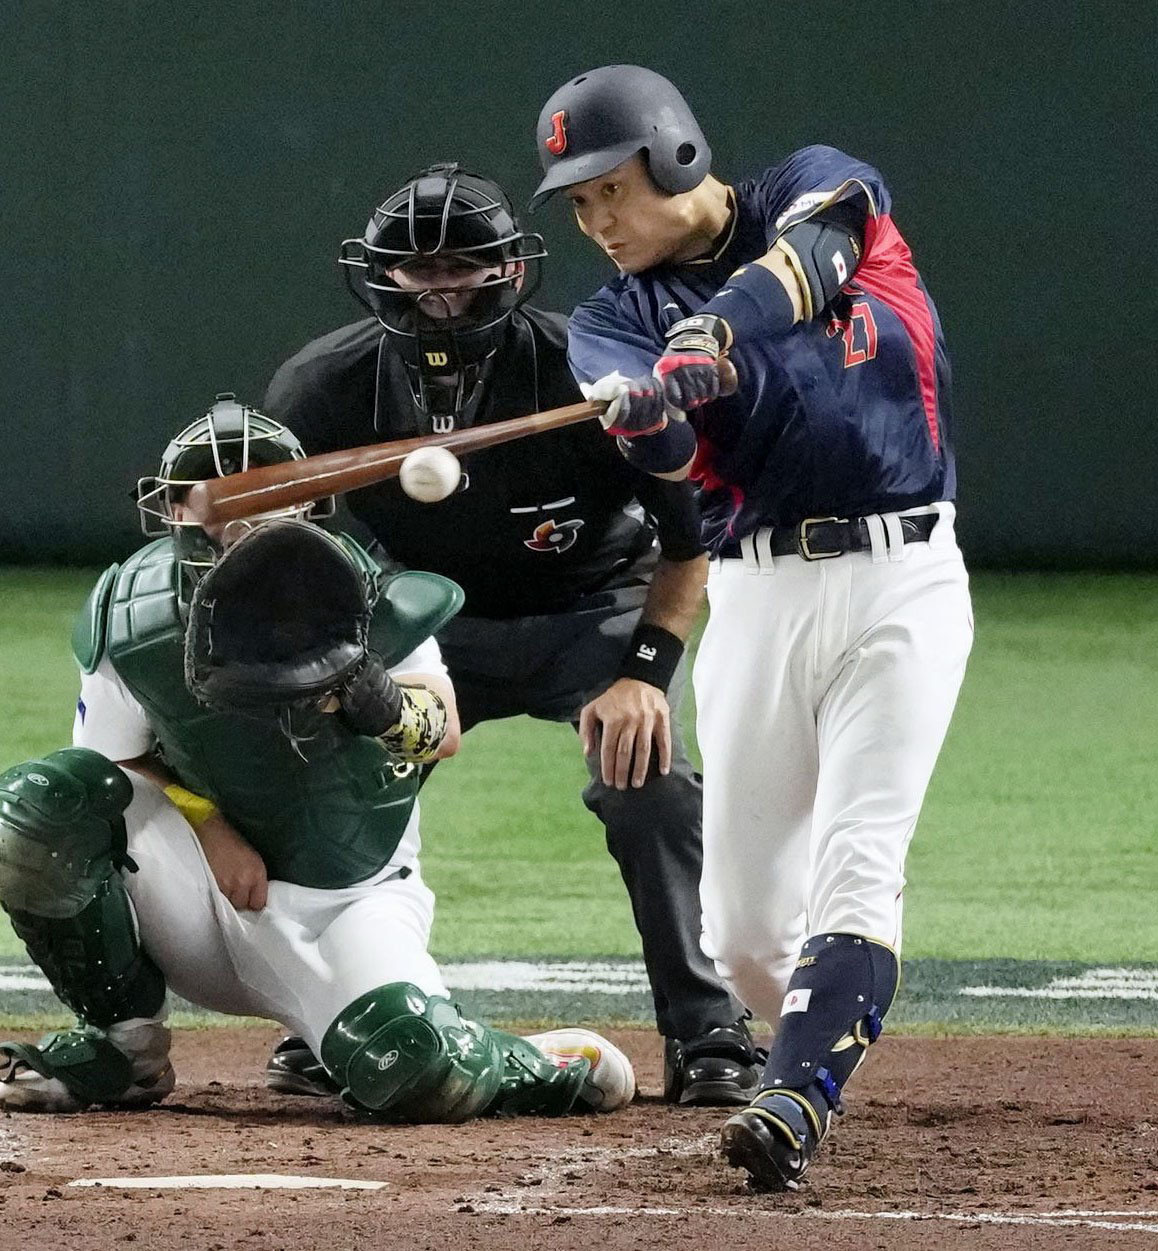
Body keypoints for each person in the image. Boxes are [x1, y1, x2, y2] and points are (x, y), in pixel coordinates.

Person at [530, 65, 973, 1189]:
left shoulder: (817, 187)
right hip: (758, 592)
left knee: (860, 859)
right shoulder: (609, 322)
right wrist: (645, 425)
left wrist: (714, 335)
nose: (598, 222)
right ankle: (819, 1040)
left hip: (904, 576)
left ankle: (796, 1102)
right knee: (744, 931)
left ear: (675, 155)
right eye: (578, 205)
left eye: (609, 190)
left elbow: (814, 265)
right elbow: (676, 476)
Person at [260, 162, 761, 1106]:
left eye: (466, 265)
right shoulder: (322, 390)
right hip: (419, 625)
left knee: (647, 781)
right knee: (321, 779)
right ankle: (333, 1019)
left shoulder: (592, 371)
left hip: (590, 613)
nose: (442, 289)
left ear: (513, 269)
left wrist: (646, 673)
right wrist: (352, 669)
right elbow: (288, 546)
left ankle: (708, 1033)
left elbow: (691, 548)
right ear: (376, 275)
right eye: (418, 269)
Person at [0, 395, 635, 1122]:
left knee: (422, 1069)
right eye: (207, 498)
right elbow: (114, 762)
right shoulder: (134, 606)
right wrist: (207, 822)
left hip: (344, 897)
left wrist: (377, 697)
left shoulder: (364, 594)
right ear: (172, 510)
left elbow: (440, 730)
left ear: (302, 502)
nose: (233, 519)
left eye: (261, 493)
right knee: (40, 804)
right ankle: (122, 1047)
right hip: (198, 887)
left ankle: (538, 1062)